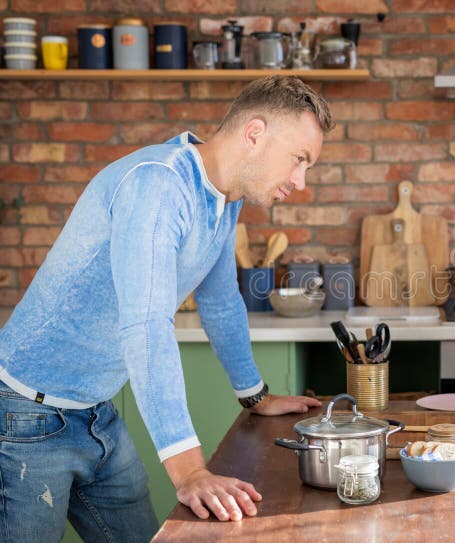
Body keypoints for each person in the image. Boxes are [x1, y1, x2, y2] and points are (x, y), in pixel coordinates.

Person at [0, 76, 333, 542]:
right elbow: (147, 326)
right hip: (23, 417)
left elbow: (219, 302)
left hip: (95, 413)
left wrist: (255, 395)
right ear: (255, 133)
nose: (300, 181)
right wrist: (190, 472)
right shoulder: (158, 183)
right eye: (300, 160)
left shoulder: (223, 198)